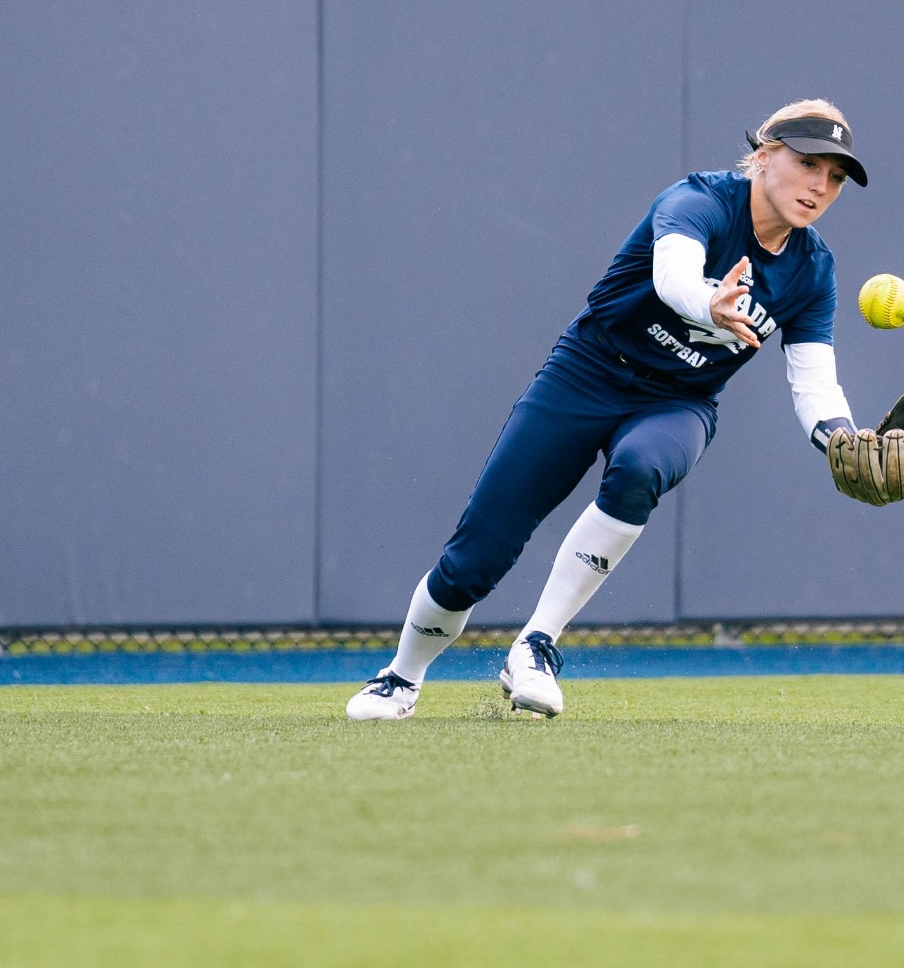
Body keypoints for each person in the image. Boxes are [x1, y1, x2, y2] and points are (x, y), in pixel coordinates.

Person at [346, 99, 868, 721]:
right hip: (586, 373)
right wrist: (708, 303)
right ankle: (401, 678)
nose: (820, 185)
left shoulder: (813, 271)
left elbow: (815, 383)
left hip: (679, 402)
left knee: (641, 468)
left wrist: (842, 438)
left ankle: (536, 645)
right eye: (807, 163)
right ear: (762, 155)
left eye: (836, 176)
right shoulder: (698, 200)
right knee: (477, 556)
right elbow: (673, 276)